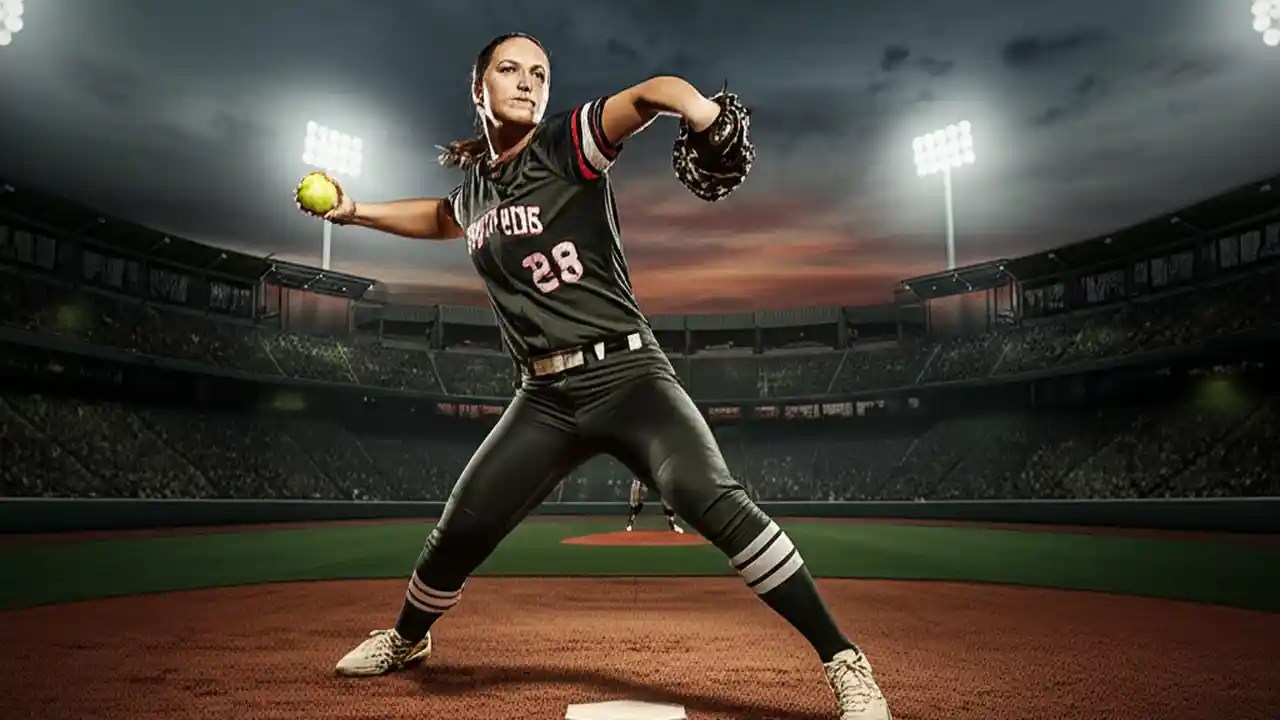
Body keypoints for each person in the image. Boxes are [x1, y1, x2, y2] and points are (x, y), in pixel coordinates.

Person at [297, 32, 891, 720]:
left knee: (709, 497)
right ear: (478, 89)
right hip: (543, 397)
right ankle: (406, 638)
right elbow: (441, 215)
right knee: (462, 525)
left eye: (539, 73)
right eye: (509, 70)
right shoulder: (477, 193)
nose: (527, 81)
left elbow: (648, 95)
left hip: (630, 376)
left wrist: (698, 112)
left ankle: (845, 660)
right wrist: (353, 210)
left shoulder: (564, 145)